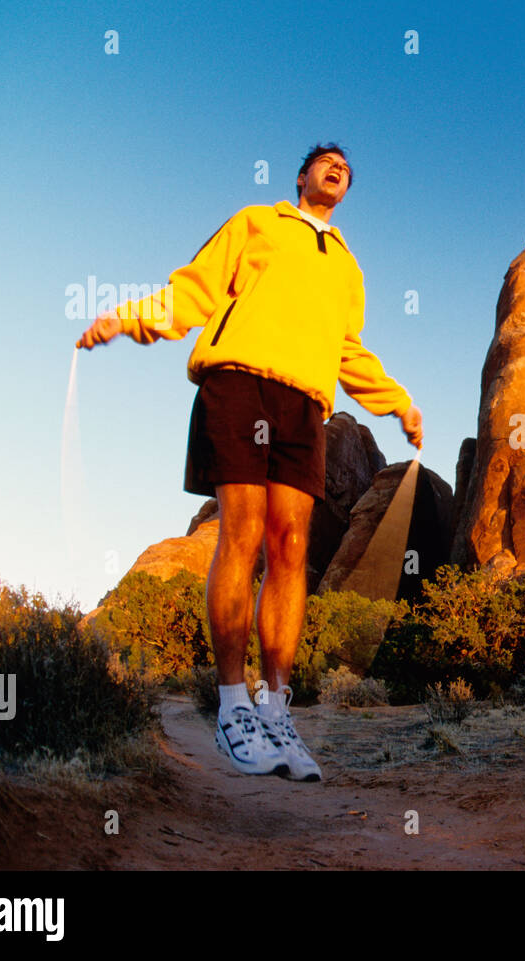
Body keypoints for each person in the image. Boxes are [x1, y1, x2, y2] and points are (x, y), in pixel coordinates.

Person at [76, 143, 422, 781]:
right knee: (242, 532)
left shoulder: (348, 266)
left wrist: (397, 402)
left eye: (346, 165)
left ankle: (276, 709)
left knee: (291, 546)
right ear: (302, 177)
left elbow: (348, 347)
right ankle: (233, 703)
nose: (337, 167)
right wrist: (127, 318)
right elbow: (193, 291)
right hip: (238, 382)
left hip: (303, 405)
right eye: (326, 160)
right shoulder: (257, 222)